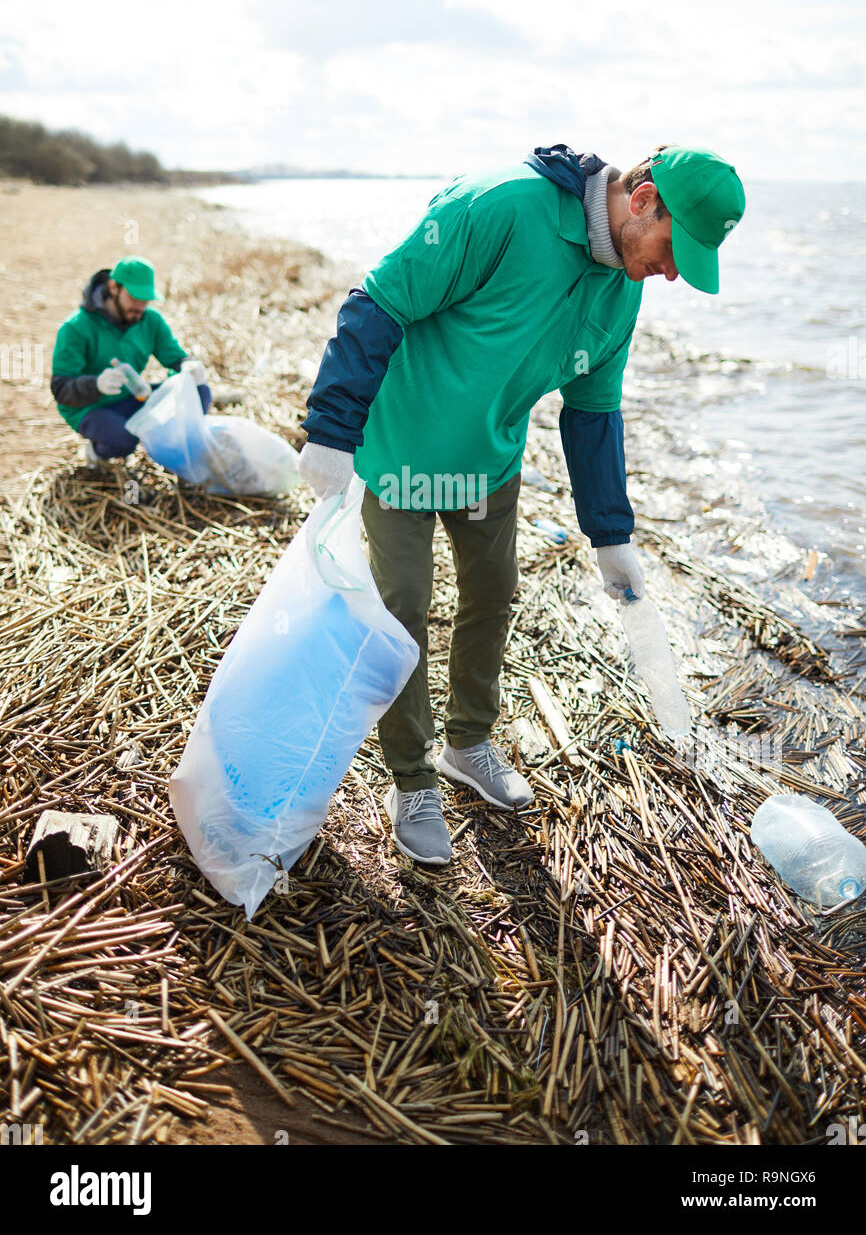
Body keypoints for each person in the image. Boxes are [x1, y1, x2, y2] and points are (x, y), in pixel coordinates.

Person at [298, 144, 746, 866]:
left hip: (489, 466)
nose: (670, 272)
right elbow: (378, 301)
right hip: (401, 453)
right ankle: (410, 780)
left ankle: (466, 744)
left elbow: (592, 414)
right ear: (641, 200)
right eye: (672, 249)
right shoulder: (499, 207)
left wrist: (609, 533)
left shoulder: (620, 294)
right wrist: (330, 428)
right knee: (403, 606)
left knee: (494, 594)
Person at [50, 255, 210, 463]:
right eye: (134, 298)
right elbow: (61, 388)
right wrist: (96, 384)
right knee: (122, 441)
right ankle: (95, 455)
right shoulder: (75, 327)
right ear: (113, 287)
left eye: (145, 300)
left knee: (200, 390)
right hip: (91, 407)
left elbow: (176, 358)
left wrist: (188, 365)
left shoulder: (150, 320)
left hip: (133, 395)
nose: (140, 307)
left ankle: (182, 452)